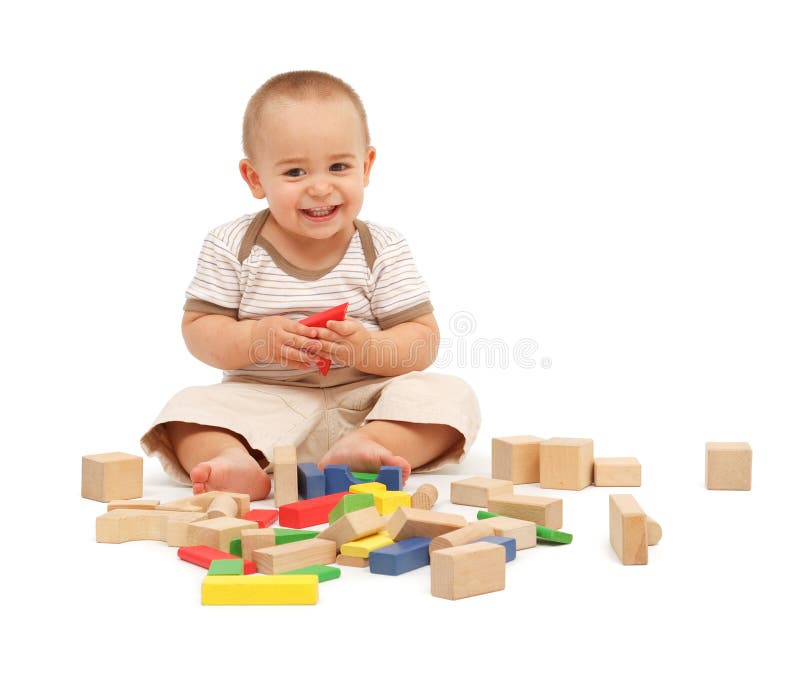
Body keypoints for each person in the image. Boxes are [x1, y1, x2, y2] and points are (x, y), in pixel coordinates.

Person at [140, 70, 480, 500]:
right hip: (263, 402)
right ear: (255, 178)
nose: (321, 187)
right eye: (295, 171)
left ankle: (371, 446)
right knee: (186, 410)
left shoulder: (382, 248)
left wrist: (367, 350)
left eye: (339, 166)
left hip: (367, 402)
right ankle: (233, 460)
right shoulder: (232, 246)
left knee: (450, 395)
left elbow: (423, 342)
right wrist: (255, 339)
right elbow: (199, 332)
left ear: (367, 166)